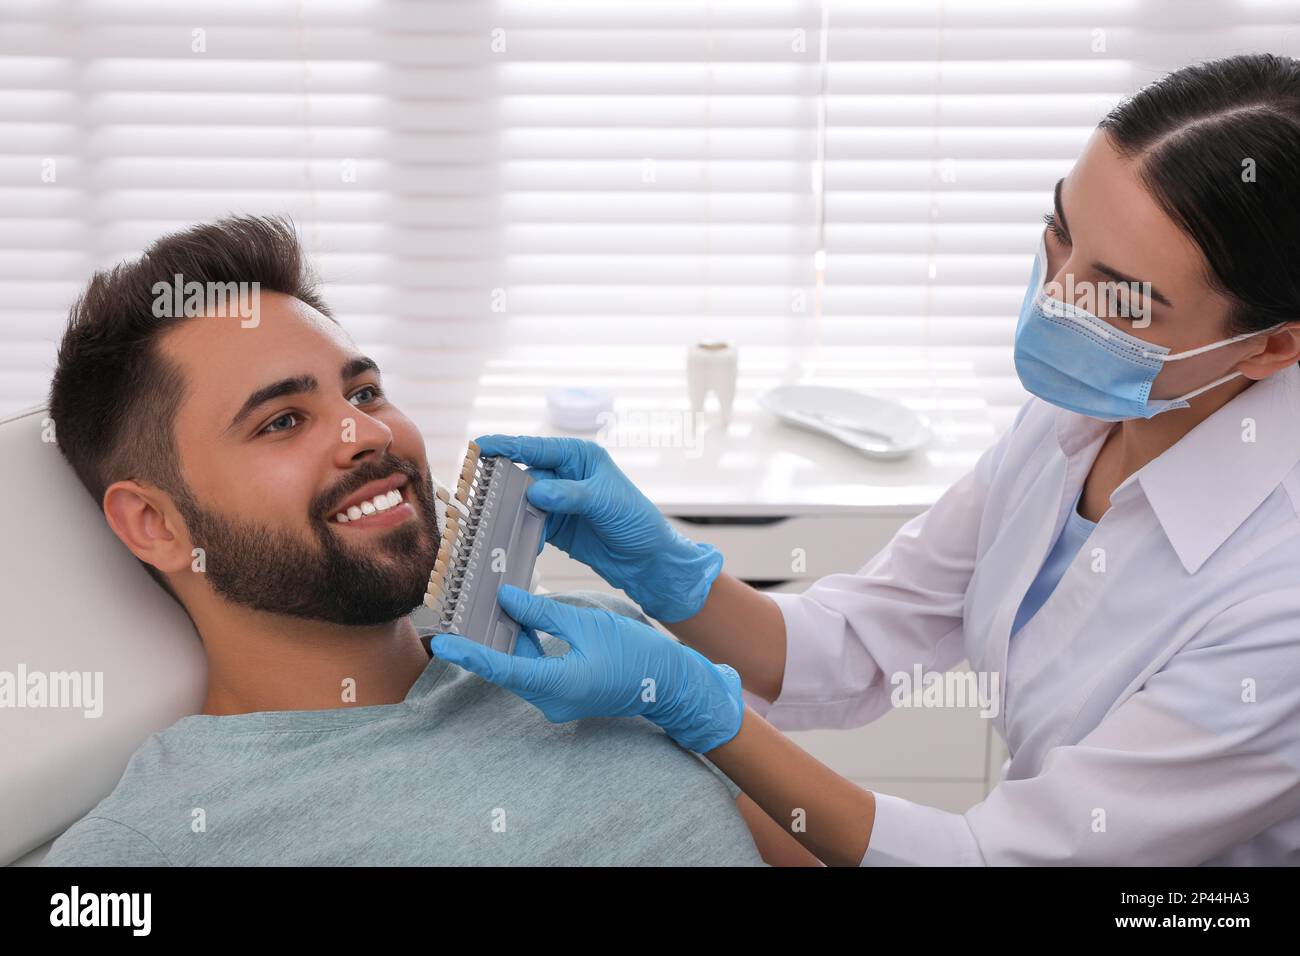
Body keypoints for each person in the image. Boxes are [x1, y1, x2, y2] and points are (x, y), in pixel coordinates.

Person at [431, 53, 1300, 866]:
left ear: (1271, 348)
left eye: (1121, 298)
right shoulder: (1075, 420)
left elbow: (991, 858)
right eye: (1060, 232)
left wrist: (688, 703)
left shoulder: (1278, 605)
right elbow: (859, 641)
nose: (1059, 302)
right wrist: (668, 572)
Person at [40, 216, 776, 866]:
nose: (370, 435)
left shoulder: (601, 650)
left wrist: (700, 691)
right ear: (156, 524)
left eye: (363, 393)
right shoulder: (149, 848)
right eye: (282, 421)